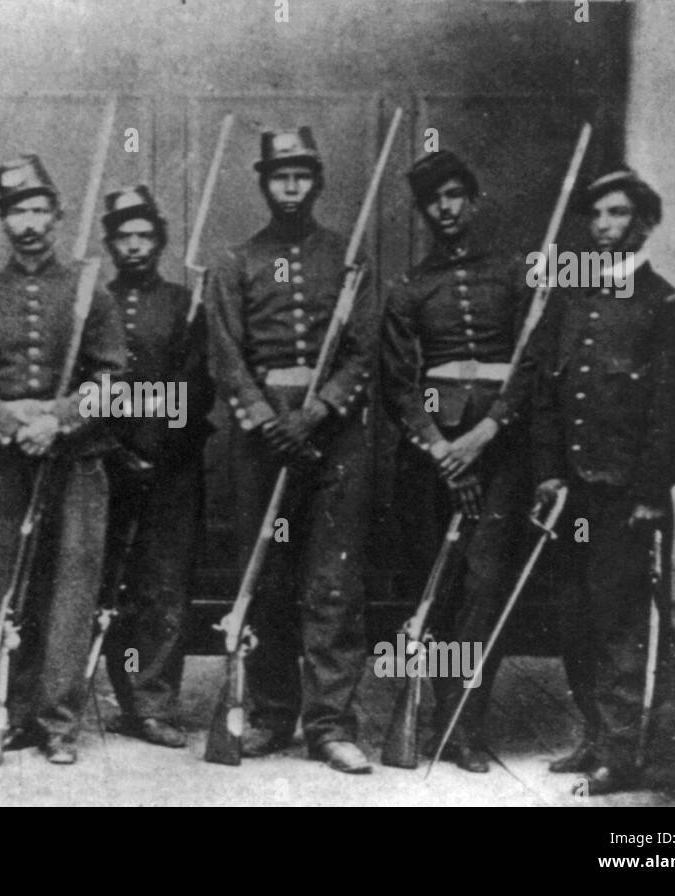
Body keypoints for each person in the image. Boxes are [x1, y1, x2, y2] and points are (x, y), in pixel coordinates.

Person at [206, 127, 380, 774]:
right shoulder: (234, 263)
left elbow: (363, 349)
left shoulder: (350, 258)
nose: (290, 187)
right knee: (270, 578)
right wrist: (265, 417)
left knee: (332, 582)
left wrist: (320, 410)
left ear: (318, 181)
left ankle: (331, 725)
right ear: (263, 182)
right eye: (280, 176)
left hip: (335, 442)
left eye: (301, 175)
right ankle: (272, 716)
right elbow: (224, 354)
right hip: (261, 444)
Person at [531, 169, 675, 795]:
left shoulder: (664, 307)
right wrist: (550, 473)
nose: (605, 226)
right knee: (576, 617)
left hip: (627, 501)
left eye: (618, 214)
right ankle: (595, 734)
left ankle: (623, 753)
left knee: (623, 622)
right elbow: (549, 394)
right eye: (597, 216)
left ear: (644, 223)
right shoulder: (573, 300)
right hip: (575, 495)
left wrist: (648, 492)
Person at [0, 155, 126, 765]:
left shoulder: (87, 289)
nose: (28, 222)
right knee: (15, 586)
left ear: (56, 215)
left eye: (37, 209)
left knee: (73, 590)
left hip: (76, 463)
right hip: (6, 464)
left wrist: (60, 419)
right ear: (3, 220)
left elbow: (113, 379)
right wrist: (14, 423)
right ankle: (16, 711)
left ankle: (59, 722)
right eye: (16, 211)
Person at [379, 151, 536, 773]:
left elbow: (529, 367)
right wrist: (444, 449)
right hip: (433, 460)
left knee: (485, 586)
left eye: (454, 196)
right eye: (432, 201)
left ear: (474, 201)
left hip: (502, 454)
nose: (445, 209)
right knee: (435, 589)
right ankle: (428, 708)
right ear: (423, 213)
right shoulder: (408, 288)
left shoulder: (514, 276)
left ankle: (464, 724)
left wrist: (487, 433)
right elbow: (396, 385)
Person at [97, 185, 213, 749]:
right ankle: (122, 696)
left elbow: (196, 386)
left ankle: (155, 703)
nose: (135, 245)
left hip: (172, 468)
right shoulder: (95, 303)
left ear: (160, 241)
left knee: (164, 586)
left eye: (145, 235)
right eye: (124, 236)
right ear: (110, 243)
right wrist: (119, 448)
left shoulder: (185, 304)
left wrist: (159, 447)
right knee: (110, 582)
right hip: (106, 464)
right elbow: (86, 385)